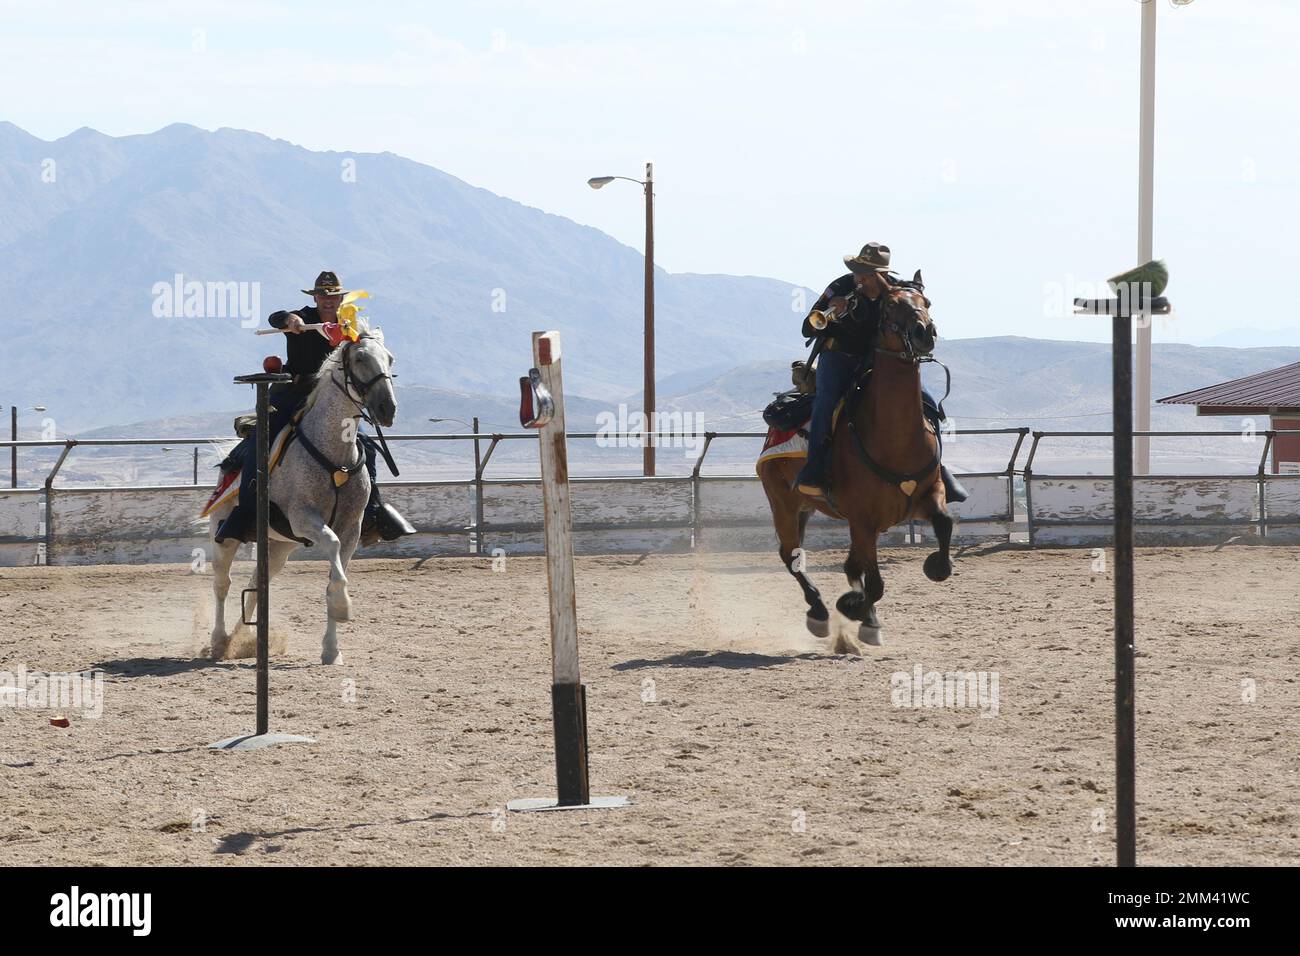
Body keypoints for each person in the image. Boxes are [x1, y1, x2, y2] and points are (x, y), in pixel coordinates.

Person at [214, 271, 416, 546]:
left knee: (364, 446)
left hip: (331, 401)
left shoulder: (349, 325)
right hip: (295, 393)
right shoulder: (304, 317)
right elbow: (276, 317)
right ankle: (246, 512)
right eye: (323, 295)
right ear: (316, 298)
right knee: (264, 438)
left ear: (341, 298)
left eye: (334, 296)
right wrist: (290, 320)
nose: (328, 300)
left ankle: (371, 512)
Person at [793, 242, 967, 503]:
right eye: (857, 271)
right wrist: (831, 315)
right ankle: (815, 469)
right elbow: (808, 327)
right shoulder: (840, 287)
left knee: (927, 402)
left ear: (881, 275)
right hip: (838, 355)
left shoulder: (896, 291)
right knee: (826, 402)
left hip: (877, 359)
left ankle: (938, 470)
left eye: (866, 273)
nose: (859, 278)